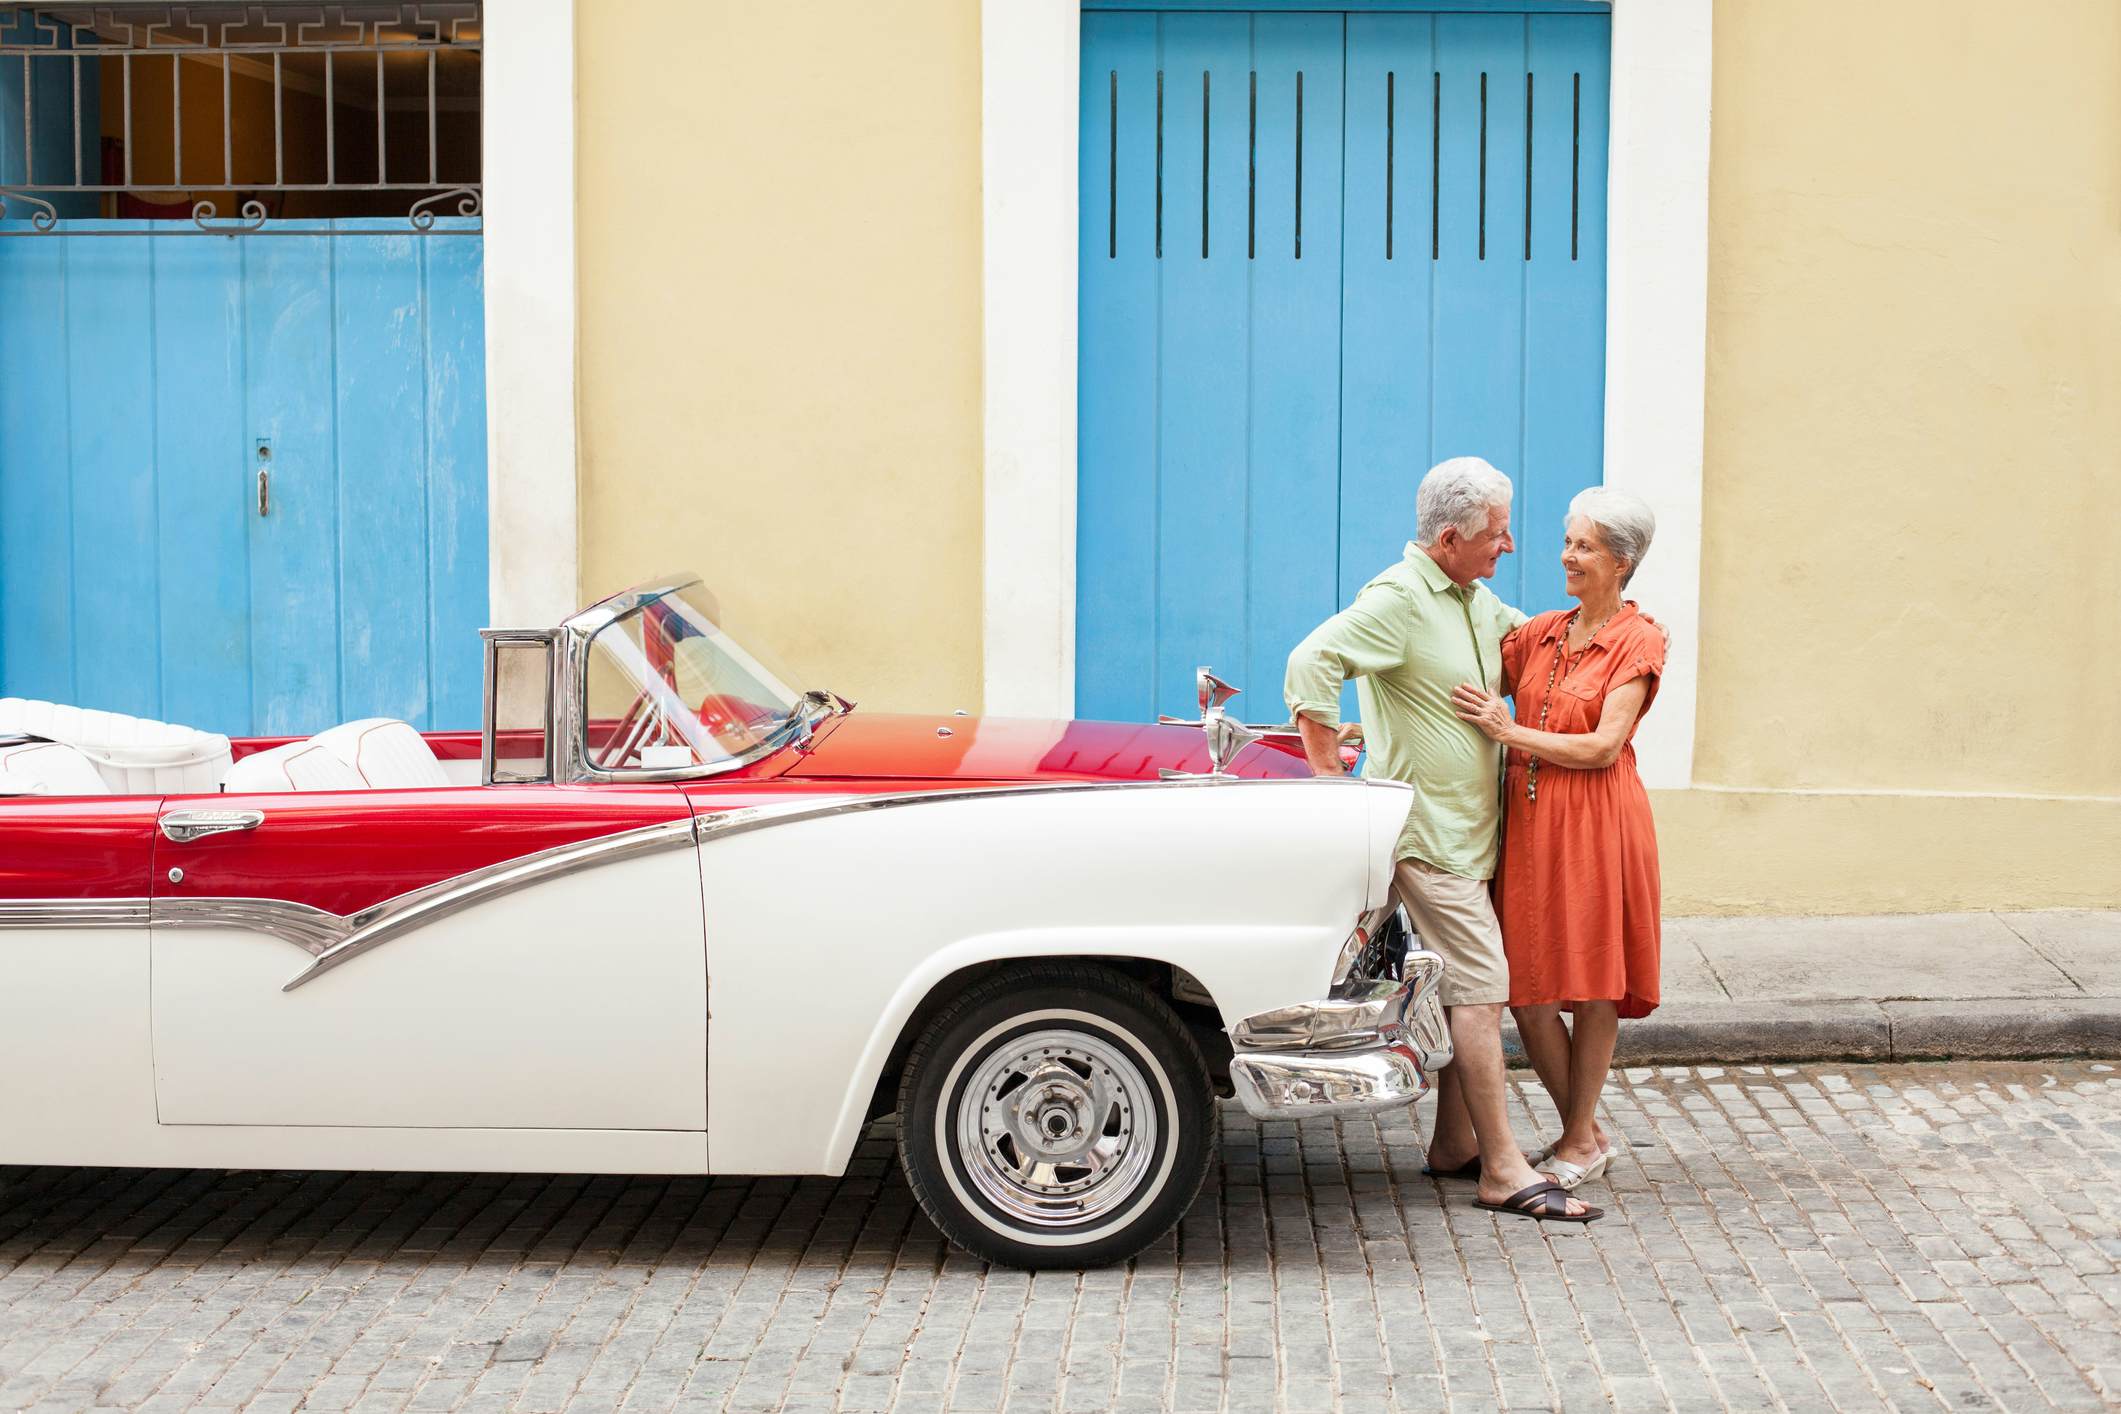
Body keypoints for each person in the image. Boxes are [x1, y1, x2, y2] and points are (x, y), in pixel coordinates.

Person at [1285, 457, 1597, 1224]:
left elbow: (1541, 644)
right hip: (1427, 836)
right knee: (1483, 992)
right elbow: (1311, 660)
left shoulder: (1473, 600)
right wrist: (1327, 778)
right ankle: (1501, 1168)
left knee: (1460, 988)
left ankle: (1454, 1143)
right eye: (1496, 533)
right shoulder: (1399, 599)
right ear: (1450, 537)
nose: (1510, 545)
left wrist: (1620, 625)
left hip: (1472, 834)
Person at [1449, 486, 1665, 1192]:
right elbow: (1459, 655)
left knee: (1594, 983)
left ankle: (1577, 1137)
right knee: (1529, 989)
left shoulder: (1639, 639)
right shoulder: (1540, 631)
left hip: (1599, 821)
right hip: (1532, 824)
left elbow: (1603, 746)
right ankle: (1587, 1132)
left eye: (1584, 547)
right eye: (1568, 542)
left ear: (1620, 562)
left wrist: (1508, 731)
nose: (1567, 556)